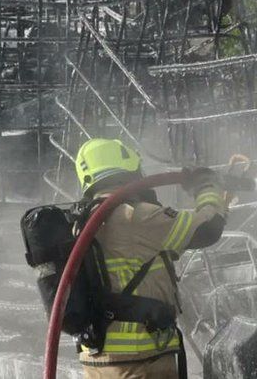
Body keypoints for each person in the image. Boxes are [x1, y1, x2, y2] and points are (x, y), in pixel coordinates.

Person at [73, 138, 228, 378]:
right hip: (139, 360)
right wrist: (207, 188)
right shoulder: (135, 216)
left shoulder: (85, 220)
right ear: (130, 169)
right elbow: (207, 229)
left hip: (100, 360)